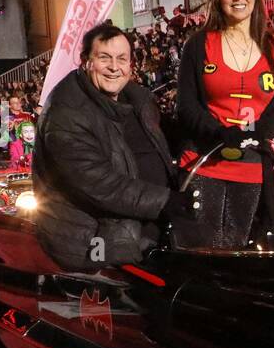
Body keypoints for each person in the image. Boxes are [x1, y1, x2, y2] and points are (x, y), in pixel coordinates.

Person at [32, 21, 180, 270]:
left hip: (148, 227)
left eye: (122, 59)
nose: (114, 67)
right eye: (104, 58)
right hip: (94, 241)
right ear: (86, 61)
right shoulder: (66, 113)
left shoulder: (138, 98)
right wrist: (165, 201)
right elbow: (100, 185)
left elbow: (164, 141)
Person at [172, 0, 274, 249]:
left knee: (238, 245)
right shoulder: (199, 45)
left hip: (250, 165)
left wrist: (258, 132)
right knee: (204, 247)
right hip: (204, 162)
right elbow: (186, 106)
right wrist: (219, 132)